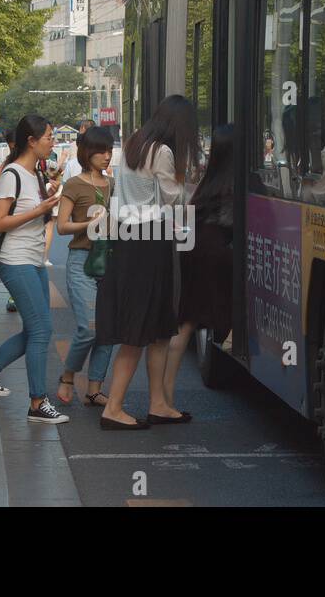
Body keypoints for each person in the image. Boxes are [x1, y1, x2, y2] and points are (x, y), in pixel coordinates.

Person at [95, 95, 197, 430]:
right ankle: (114, 407)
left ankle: (158, 404)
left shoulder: (135, 142)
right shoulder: (164, 151)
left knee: (156, 329)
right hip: (150, 239)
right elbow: (172, 197)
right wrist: (186, 178)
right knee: (141, 329)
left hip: (128, 236)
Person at [0, 115, 68, 424]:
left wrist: (46, 201)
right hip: (16, 261)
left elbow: (31, 215)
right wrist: (39, 209)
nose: (53, 142)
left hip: (33, 260)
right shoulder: (12, 174)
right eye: (49, 137)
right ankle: (37, 402)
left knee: (36, 330)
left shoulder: (35, 172)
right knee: (41, 330)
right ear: (31, 141)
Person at [161, 124, 235, 406]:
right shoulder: (241, 183)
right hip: (221, 255)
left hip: (195, 252)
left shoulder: (208, 182)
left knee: (185, 324)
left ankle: (165, 396)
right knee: (225, 314)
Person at [54, 127, 115, 406]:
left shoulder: (111, 183)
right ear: (87, 153)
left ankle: (94, 388)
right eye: (101, 151)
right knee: (88, 328)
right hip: (81, 261)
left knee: (108, 329)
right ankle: (68, 376)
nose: (107, 156)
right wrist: (89, 225)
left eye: (109, 150)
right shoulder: (74, 185)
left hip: (110, 259)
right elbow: (62, 226)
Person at [0, 129, 19, 313]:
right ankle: (14, 295)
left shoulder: (36, 163)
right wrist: (8, 161)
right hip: (8, 219)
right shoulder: (6, 163)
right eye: (12, 147)